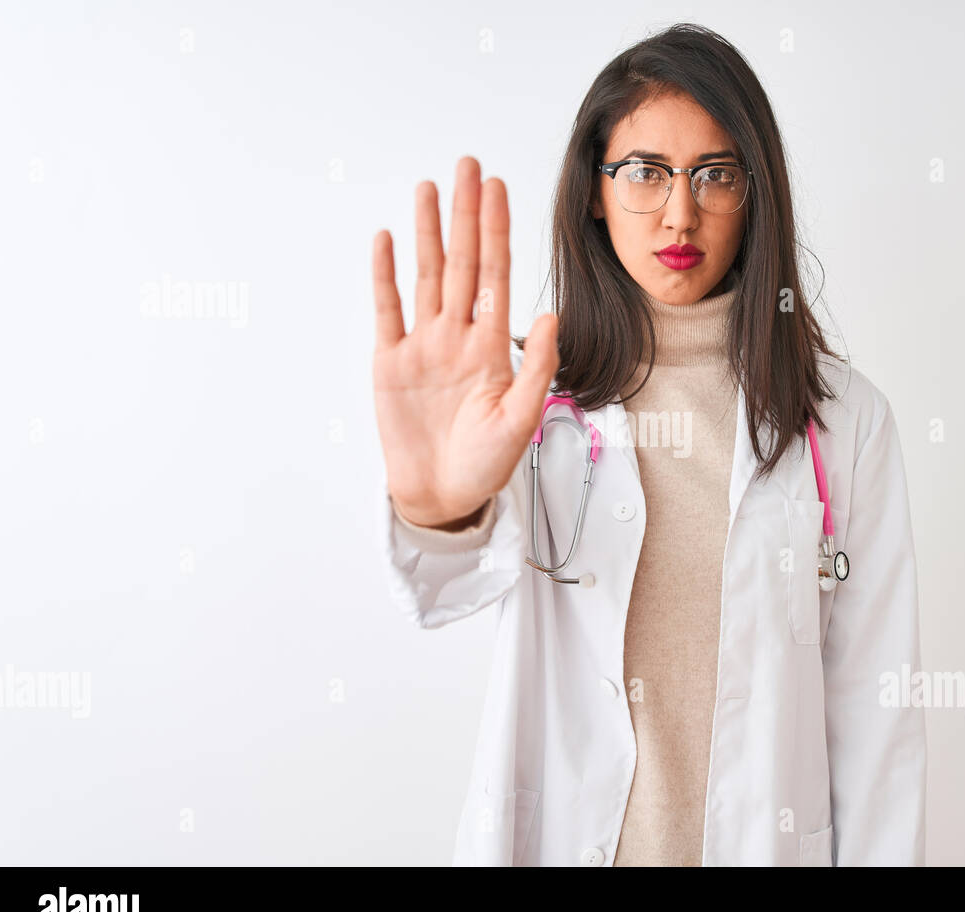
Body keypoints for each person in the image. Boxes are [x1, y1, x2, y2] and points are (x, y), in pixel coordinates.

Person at [371, 23, 926, 866]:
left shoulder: (844, 422)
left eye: (716, 173)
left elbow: (877, 726)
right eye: (645, 171)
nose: (680, 211)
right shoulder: (525, 402)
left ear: (757, 190)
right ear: (595, 189)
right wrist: (435, 505)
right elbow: (441, 593)